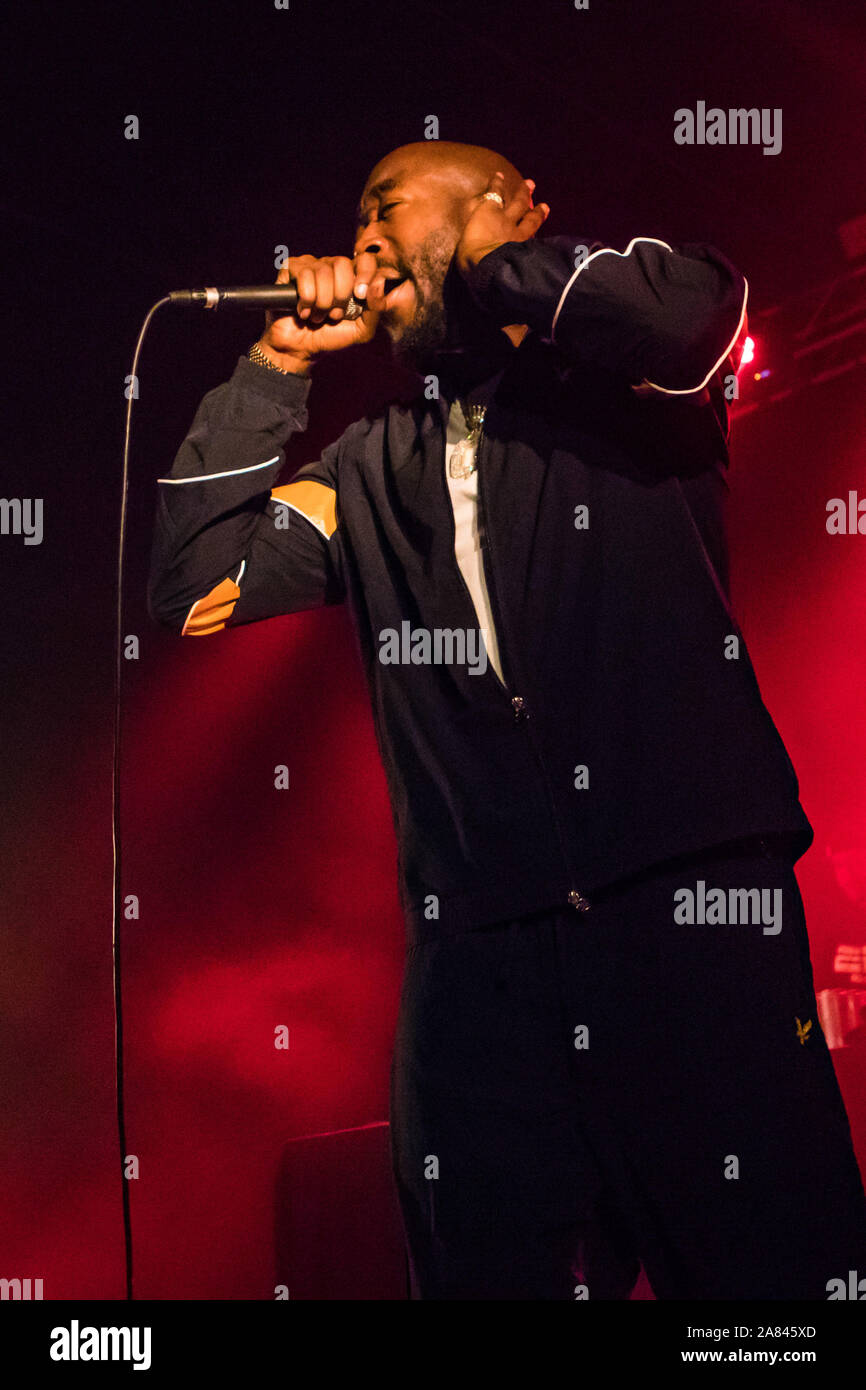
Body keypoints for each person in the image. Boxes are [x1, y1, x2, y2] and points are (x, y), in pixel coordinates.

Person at [148, 140, 866, 1299]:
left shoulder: (627, 380)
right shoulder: (368, 464)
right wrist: (274, 366)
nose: (363, 237)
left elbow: (686, 316)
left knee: (768, 1282)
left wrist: (487, 261)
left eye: (386, 206)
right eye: (357, 216)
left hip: (685, 911)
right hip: (481, 958)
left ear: (505, 203)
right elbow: (194, 587)